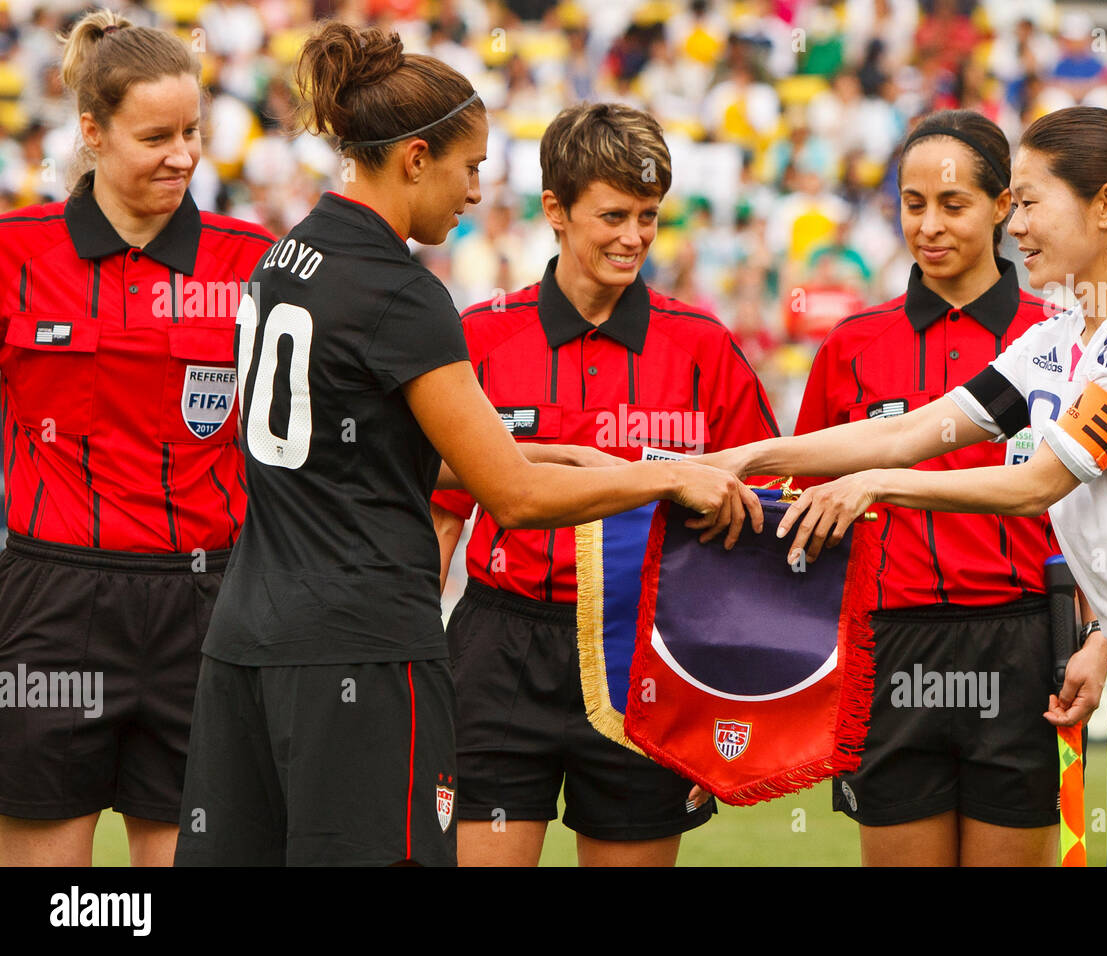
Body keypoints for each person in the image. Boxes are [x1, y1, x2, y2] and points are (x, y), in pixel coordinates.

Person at [172, 26, 759, 868]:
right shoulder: (405, 295)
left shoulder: (284, 260)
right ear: (415, 157)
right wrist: (660, 480)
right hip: (362, 648)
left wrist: (576, 458)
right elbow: (511, 497)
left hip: (248, 636)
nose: (477, 193)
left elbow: (368, 449)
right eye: (470, 166)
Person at [702, 106, 1107, 867]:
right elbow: (910, 430)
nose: (1013, 224)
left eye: (1028, 200)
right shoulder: (1057, 335)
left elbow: (1037, 485)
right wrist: (748, 459)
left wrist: (877, 486)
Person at [431, 102, 781, 868]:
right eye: (613, 215)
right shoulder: (480, 338)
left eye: (649, 216)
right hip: (500, 647)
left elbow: (763, 503)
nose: (634, 238)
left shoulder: (704, 347)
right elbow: (440, 511)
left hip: (646, 653)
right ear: (555, 209)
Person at [0, 10, 275, 866]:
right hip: (52, 604)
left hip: (210, 607)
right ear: (92, 131)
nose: (184, 155)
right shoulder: (16, 254)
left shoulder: (255, 262)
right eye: (156, 135)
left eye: (193, 130)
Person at [794, 110, 1062, 866]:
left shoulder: (1059, 336)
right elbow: (801, 494)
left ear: (1003, 205)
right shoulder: (852, 344)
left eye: (953, 205)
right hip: (889, 647)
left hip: (1023, 643)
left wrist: (1097, 635)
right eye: (914, 205)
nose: (930, 226)